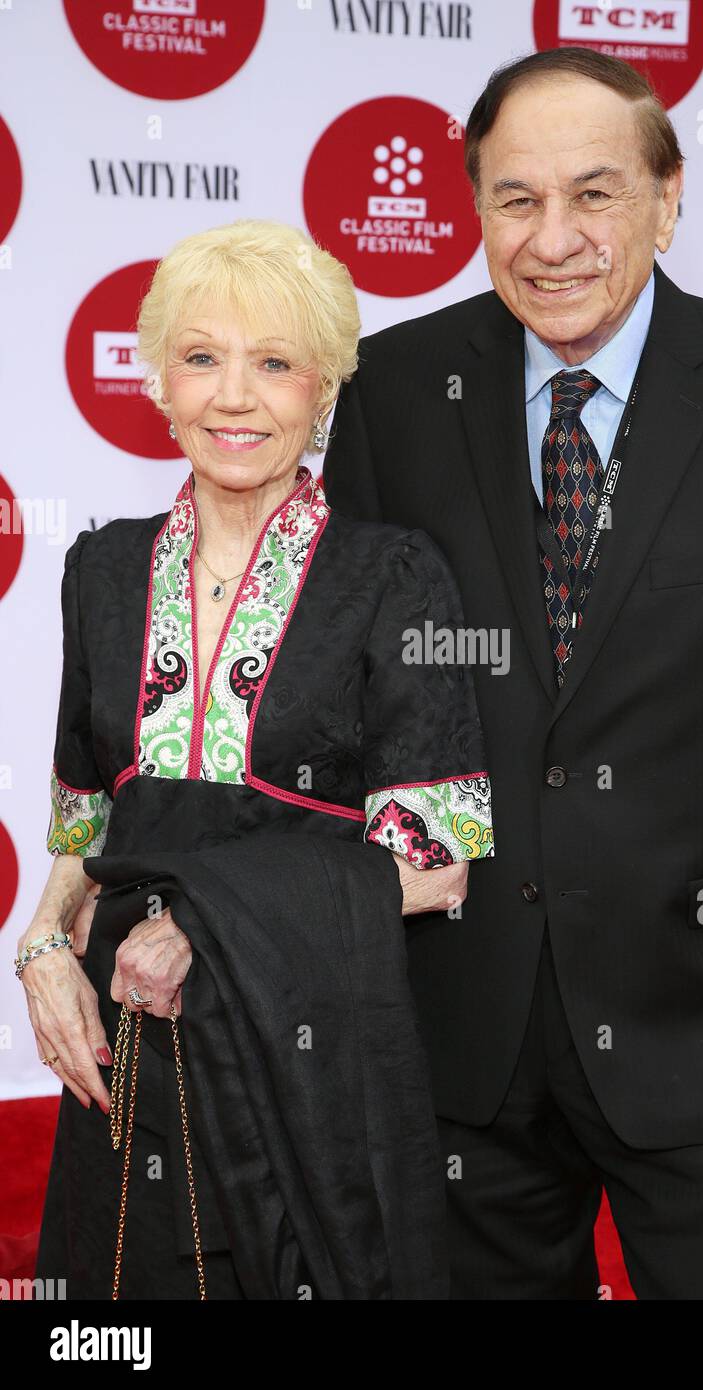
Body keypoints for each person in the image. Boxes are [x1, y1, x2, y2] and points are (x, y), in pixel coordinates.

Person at [322, 48, 703, 1299]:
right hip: (464, 1031)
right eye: (516, 199)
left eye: (595, 193)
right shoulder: (393, 393)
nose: (553, 238)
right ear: (474, 211)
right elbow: (348, 714)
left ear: (669, 198)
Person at [19, 219, 494, 1299]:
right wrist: (43, 947)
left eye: (273, 364)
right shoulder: (100, 569)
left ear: (322, 391)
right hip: (125, 1048)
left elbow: (436, 865)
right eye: (202, 358)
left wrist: (207, 922)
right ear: (159, 384)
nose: (235, 397)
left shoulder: (393, 575)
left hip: (307, 1052)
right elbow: (85, 828)